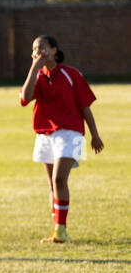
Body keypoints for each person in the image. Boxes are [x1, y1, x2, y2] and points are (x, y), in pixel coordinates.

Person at [19, 35, 104, 243]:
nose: (39, 51)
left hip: (70, 133)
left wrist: (94, 134)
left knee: (59, 180)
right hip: (44, 135)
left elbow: (85, 106)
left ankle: (61, 230)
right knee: (51, 184)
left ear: (55, 50)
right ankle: (56, 229)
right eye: (35, 48)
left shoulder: (70, 74)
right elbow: (24, 99)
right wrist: (33, 67)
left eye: (43, 47)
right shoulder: (37, 75)